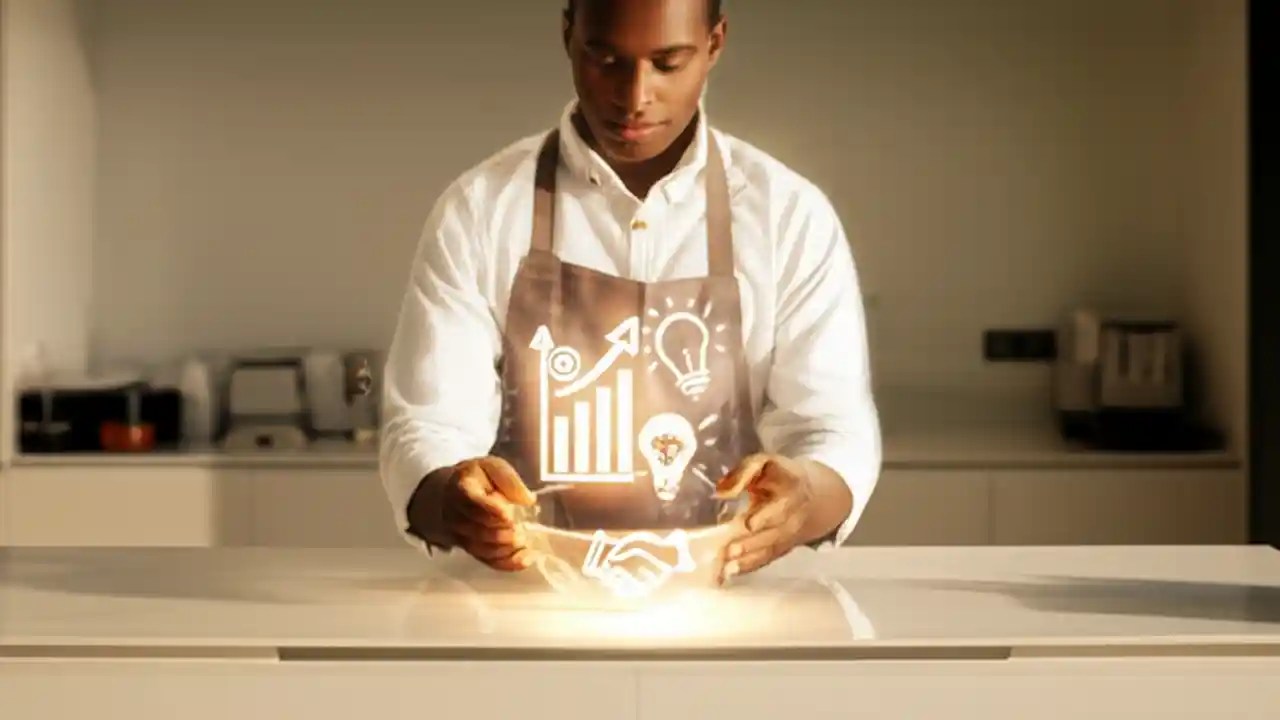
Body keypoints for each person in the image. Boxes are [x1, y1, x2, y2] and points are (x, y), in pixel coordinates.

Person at [379, 0, 881, 583]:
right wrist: (453, 500)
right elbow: (428, 426)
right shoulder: (481, 210)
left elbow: (831, 429)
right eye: (606, 59)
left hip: (732, 604)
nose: (634, 95)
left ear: (715, 44)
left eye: (668, 63)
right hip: (521, 603)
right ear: (569, 36)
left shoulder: (788, 217)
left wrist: (806, 498)